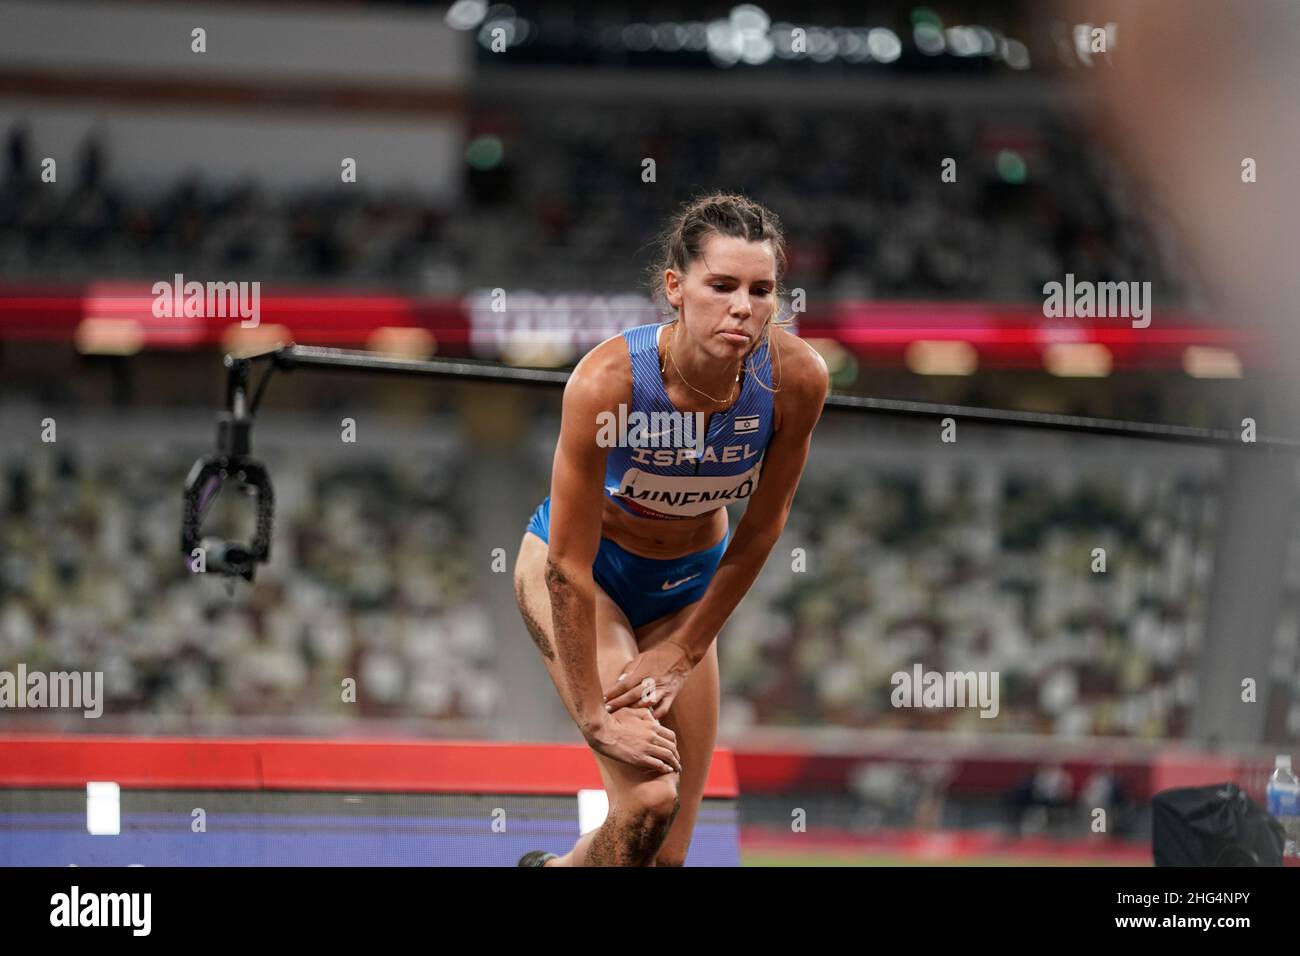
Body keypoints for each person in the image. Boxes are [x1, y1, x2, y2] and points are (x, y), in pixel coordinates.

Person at [512, 192, 829, 866]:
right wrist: (597, 716)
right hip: (587, 580)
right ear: (676, 288)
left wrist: (683, 651)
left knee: (669, 853)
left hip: (686, 586)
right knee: (648, 801)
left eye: (761, 289)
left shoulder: (796, 379)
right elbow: (566, 565)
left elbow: (762, 531)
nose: (743, 306)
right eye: (721, 286)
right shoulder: (608, 382)